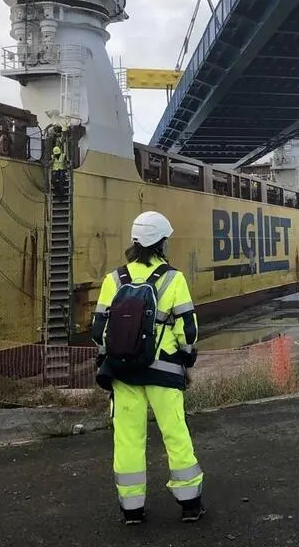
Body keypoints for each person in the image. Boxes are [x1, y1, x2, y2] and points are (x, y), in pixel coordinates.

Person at [90, 210, 205, 526]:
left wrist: (106, 361)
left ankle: (132, 510)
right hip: (164, 372)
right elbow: (188, 329)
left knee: (127, 440)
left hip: (122, 373)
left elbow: (99, 329)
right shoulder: (173, 278)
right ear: (162, 242)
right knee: (175, 434)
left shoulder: (113, 280)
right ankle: (190, 505)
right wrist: (186, 358)